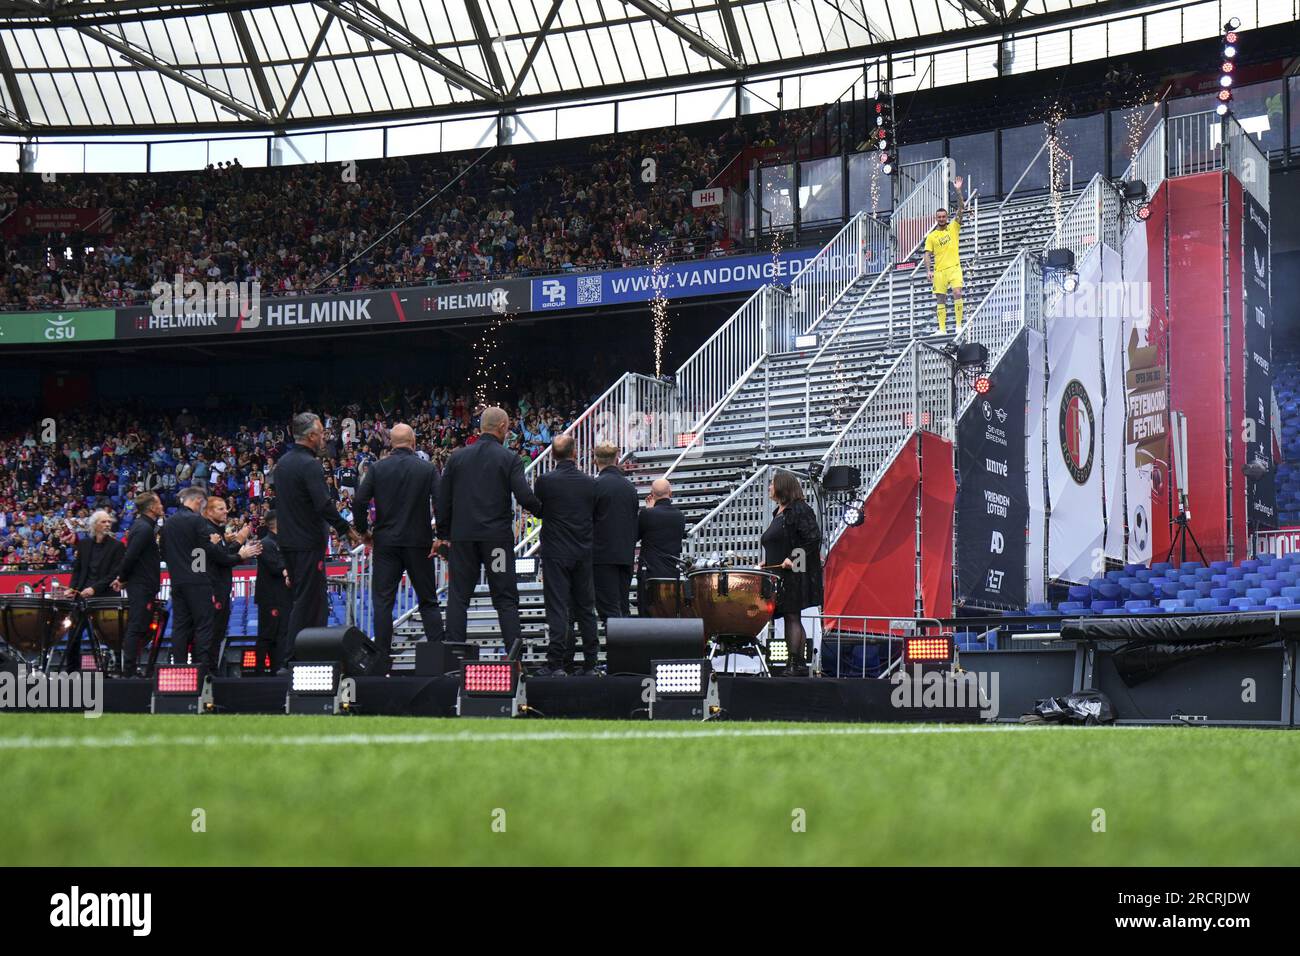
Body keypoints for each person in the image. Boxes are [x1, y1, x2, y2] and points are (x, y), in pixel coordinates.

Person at [437, 406, 541, 653]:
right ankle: (514, 657)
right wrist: (545, 512)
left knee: (458, 597)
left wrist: (443, 535)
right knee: (505, 599)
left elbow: (442, 501)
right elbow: (524, 496)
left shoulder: (457, 458)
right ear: (503, 427)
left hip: (463, 539)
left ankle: (453, 657)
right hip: (496, 540)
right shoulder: (508, 458)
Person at [353, 422, 445, 675]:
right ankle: (439, 661)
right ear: (413, 442)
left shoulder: (377, 468)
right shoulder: (426, 468)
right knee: (428, 601)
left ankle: (382, 664)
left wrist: (364, 532)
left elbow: (359, 500)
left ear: (391, 444)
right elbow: (441, 502)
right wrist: (442, 536)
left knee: (383, 602)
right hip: (419, 542)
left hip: (386, 543)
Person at [271, 412, 361, 671]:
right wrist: (346, 528)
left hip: (288, 540)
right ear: (311, 436)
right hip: (306, 542)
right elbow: (322, 503)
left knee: (309, 599)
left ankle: (308, 656)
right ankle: (292, 660)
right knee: (308, 601)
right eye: (321, 432)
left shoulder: (283, 464)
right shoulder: (309, 465)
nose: (324, 437)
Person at [534, 434, 599, 676]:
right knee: (585, 609)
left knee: (558, 609)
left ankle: (557, 663)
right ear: (575, 454)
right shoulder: (590, 483)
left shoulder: (544, 481)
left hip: (555, 552)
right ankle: (591, 663)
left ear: (552, 455)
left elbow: (540, 509)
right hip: (582, 551)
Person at [760, 470, 823, 677]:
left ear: (782, 486)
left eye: (772, 484)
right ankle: (797, 663)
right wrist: (767, 562)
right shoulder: (779, 511)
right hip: (779, 573)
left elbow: (812, 538)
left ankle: (794, 664)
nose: (769, 487)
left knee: (792, 616)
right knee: (790, 617)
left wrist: (793, 559)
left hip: (794, 573)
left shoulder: (799, 509)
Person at [160, 486, 225, 669]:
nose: (202, 509)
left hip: (177, 581)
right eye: (202, 505)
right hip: (197, 580)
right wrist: (213, 543)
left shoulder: (169, 522)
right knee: (204, 624)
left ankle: (179, 668)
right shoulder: (197, 520)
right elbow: (206, 551)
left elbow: (163, 552)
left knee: (180, 626)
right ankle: (202, 668)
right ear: (198, 500)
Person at [203, 496, 260, 666]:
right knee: (212, 633)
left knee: (218, 633)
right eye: (221, 508)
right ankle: (208, 672)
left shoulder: (216, 530)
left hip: (220, 588)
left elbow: (223, 554)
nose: (226, 511)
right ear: (209, 511)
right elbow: (221, 559)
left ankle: (212, 671)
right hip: (214, 589)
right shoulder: (207, 530)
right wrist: (241, 555)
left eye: (226, 508)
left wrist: (238, 541)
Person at [111, 492, 163, 676]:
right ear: (151, 507)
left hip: (142, 584)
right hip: (140, 585)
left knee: (140, 626)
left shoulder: (144, 527)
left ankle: (132, 669)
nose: (162, 505)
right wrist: (122, 578)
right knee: (136, 625)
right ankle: (129, 671)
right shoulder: (143, 529)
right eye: (158, 503)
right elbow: (130, 556)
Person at [591, 443, 639, 622]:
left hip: (602, 556)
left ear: (595, 460)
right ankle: (625, 647)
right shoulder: (629, 487)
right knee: (622, 606)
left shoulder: (595, 486)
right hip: (625, 554)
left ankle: (618, 649)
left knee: (608, 609)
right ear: (617, 459)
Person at [922, 175, 967, 335]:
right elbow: (927, 254)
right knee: (940, 298)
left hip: (954, 268)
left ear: (946, 217)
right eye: (939, 217)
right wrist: (929, 270)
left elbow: (961, 208)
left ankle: (958, 325)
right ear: (936, 218)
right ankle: (942, 329)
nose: (941, 219)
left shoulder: (953, 227)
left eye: (943, 216)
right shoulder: (932, 236)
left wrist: (958, 191)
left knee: (957, 292)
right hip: (939, 271)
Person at [636, 478, 686, 614]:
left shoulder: (647, 514)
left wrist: (648, 510)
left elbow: (636, 536)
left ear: (652, 494)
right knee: (668, 612)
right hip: (671, 571)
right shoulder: (680, 516)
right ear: (670, 493)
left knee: (647, 613)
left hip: (649, 571)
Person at [254, 511, 292, 675]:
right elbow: (276, 567)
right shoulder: (266, 544)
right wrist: (286, 571)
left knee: (281, 634)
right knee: (268, 634)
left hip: (283, 596)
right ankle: (260, 672)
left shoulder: (281, 543)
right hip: (270, 597)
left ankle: (278, 669)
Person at [66, 510, 124, 601]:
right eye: (103, 522)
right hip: (83, 594)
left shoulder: (117, 546)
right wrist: (71, 587)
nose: (108, 524)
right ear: (94, 525)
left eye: (109, 522)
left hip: (106, 595)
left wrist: (94, 589)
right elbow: (77, 569)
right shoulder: (83, 544)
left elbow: (114, 573)